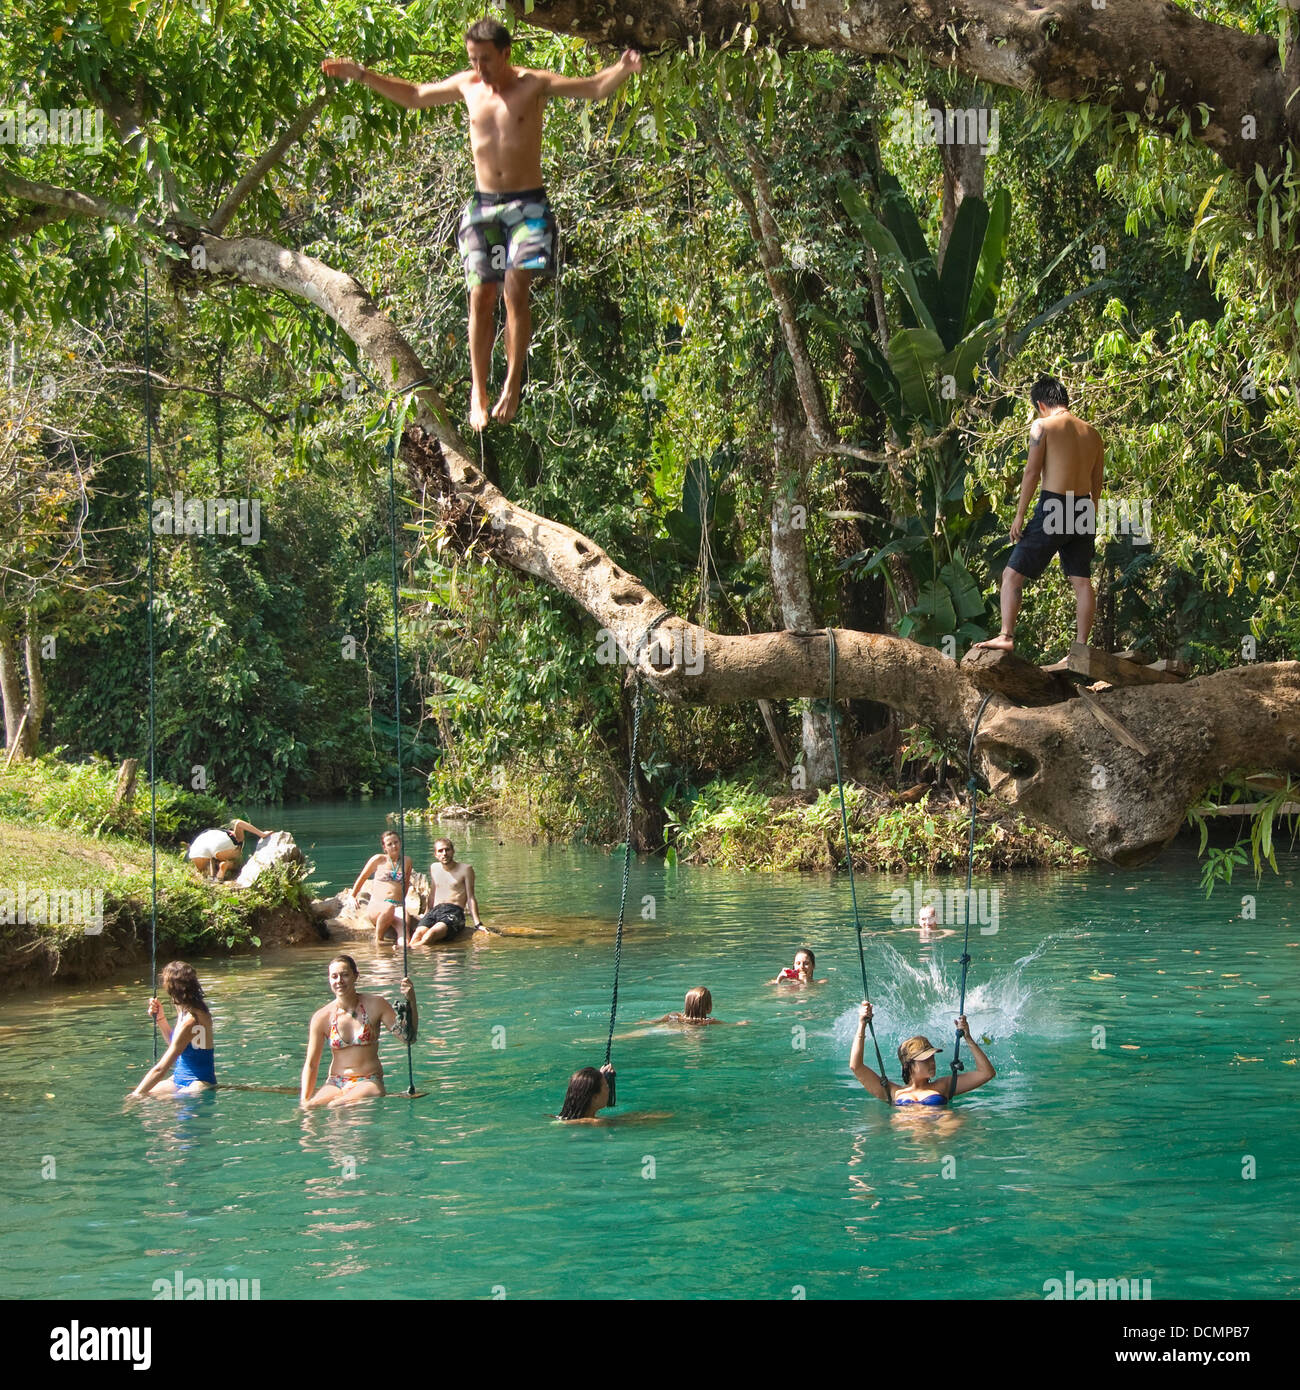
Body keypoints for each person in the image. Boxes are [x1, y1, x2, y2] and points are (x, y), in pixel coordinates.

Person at [322, 20, 642, 430]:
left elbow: (594, 87)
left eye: (486, 59)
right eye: (473, 59)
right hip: (484, 207)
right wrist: (363, 75)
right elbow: (415, 96)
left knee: (515, 291)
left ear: (506, 53)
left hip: (527, 206)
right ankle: (479, 389)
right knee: (480, 297)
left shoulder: (533, 84)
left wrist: (624, 67)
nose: (479, 67)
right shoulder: (468, 85)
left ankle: (512, 383)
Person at [975, 375, 1105, 653]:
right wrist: (1089, 515)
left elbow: (1032, 472)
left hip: (1053, 504)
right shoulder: (1093, 434)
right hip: (1083, 506)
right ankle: (1082, 646)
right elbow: (1097, 483)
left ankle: (1006, 636)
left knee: (1012, 575)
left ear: (1040, 404)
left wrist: (1019, 515)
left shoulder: (1042, 426)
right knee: (1081, 581)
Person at [301, 955, 418, 1107]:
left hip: (368, 1080)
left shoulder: (375, 1005)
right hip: (336, 1082)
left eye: (345, 975)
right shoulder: (322, 1017)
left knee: (335, 1105)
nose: (339, 981)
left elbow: (408, 1038)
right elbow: (311, 1064)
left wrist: (411, 1000)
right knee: (311, 1107)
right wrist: (304, 1100)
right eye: (334, 976)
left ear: (356, 976)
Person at [849, 1001, 995, 1105]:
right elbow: (856, 1066)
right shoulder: (891, 1092)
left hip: (940, 1139)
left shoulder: (944, 1085)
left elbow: (987, 1073)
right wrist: (862, 1025)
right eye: (925, 1059)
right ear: (907, 1065)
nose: (932, 1062)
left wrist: (968, 1038)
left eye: (932, 1057)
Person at [130, 961, 215, 1098]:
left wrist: (135, 1095)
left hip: (199, 1083)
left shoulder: (193, 1019)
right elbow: (177, 1045)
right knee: (148, 1101)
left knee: (146, 1100)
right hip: (177, 1078)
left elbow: (160, 1069)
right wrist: (161, 1018)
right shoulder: (185, 1008)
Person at [409, 837, 484, 945]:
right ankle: (410, 952)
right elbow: (432, 894)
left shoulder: (466, 869)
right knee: (418, 934)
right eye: (440, 851)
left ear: (453, 851)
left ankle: (408, 950)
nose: (444, 853)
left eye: (447, 850)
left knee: (430, 934)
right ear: (435, 854)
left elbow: (471, 897)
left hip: (454, 912)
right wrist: (425, 915)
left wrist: (478, 923)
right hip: (435, 911)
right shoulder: (434, 867)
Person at [345, 830, 413, 945]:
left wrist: (402, 902)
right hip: (378, 905)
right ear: (384, 847)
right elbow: (362, 877)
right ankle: (379, 940)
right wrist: (352, 895)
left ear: (400, 843)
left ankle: (401, 955)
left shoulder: (407, 861)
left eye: (396, 842)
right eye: (389, 844)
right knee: (389, 907)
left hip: (397, 905)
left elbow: (406, 883)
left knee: (404, 930)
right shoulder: (378, 859)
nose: (394, 846)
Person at [187, 818, 271, 881]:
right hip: (219, 847)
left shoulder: (213, 833)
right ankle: (226, 865)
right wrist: (262, 834)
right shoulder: (233, 836)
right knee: (236, 864)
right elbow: (239, 823)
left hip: (196, 851)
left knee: (207, 874)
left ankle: (215, 878)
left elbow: (211, 856)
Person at [647, 987, 748, 1026]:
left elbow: (655, 1021)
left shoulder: (673, 1015)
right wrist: (741, 1023)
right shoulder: (708, 1021)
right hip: (692, 1034)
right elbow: (730, 1025)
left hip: (669, 1029)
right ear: (709, 1007)